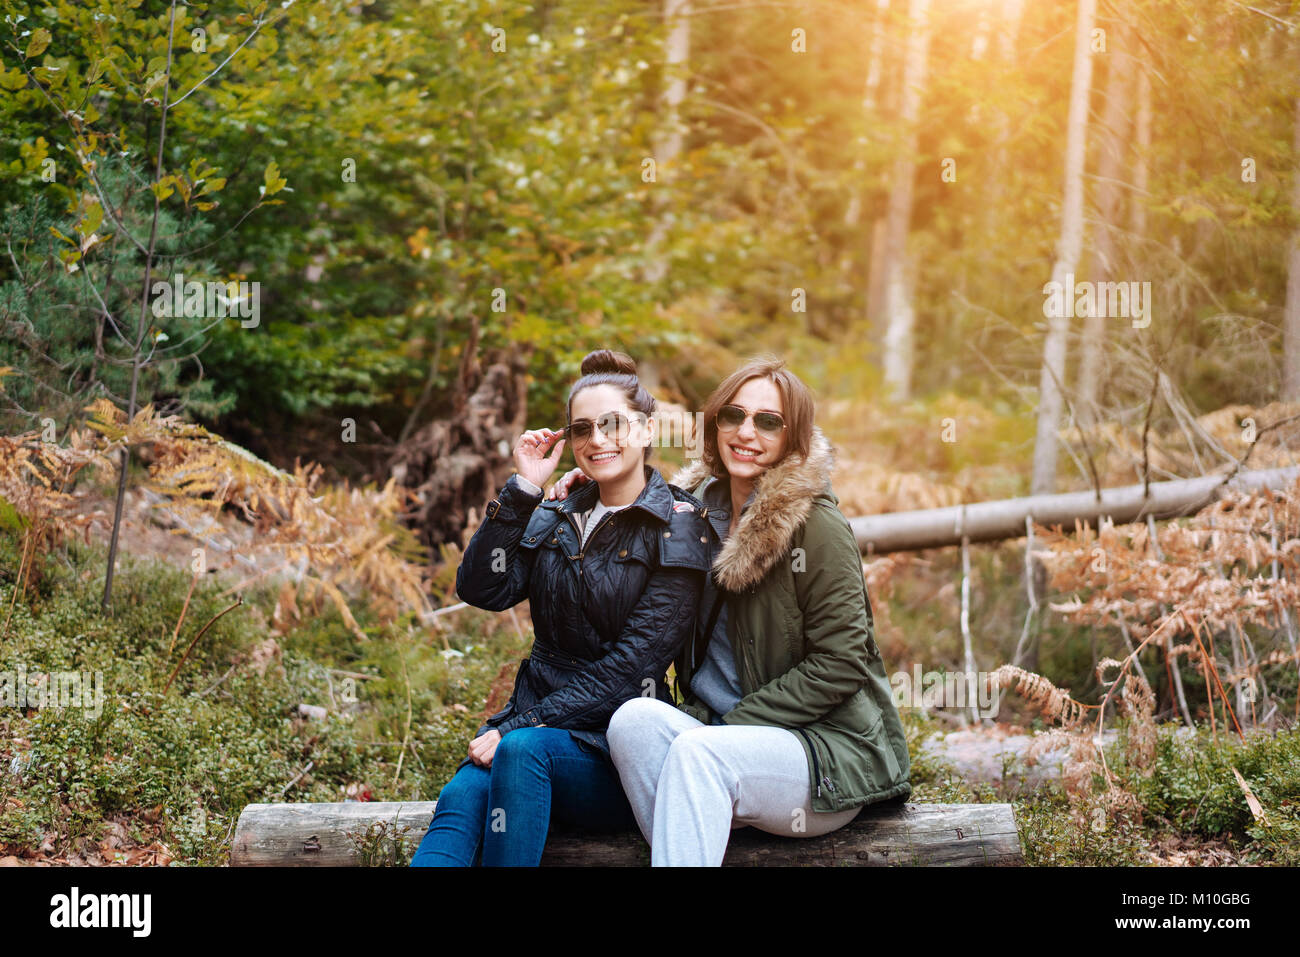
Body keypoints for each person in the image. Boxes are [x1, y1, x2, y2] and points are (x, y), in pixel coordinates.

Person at [550, 356, 910, 866]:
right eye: (733, 416)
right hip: (722, 746)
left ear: (793, 437)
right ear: (714, 422)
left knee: (698, 755)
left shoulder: (816, 526)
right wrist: (586, 492)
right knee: (633, 721)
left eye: (768, 421)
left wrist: (735, 726)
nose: (747, 432)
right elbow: (630, 518)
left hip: (820, 753)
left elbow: (841, 662)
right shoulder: (691, 509)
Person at [408, 349, 710, 867]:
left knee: (523, 754)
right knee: (458, 806)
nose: (596, 440)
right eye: (581, 429)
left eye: (613, 424)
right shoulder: (559, 509)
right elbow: (482, 589)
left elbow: (632, 669)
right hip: (533, 722)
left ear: (644, 430)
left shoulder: (680, 525)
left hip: (616, 750)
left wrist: (514, 728)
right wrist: (524, 490)